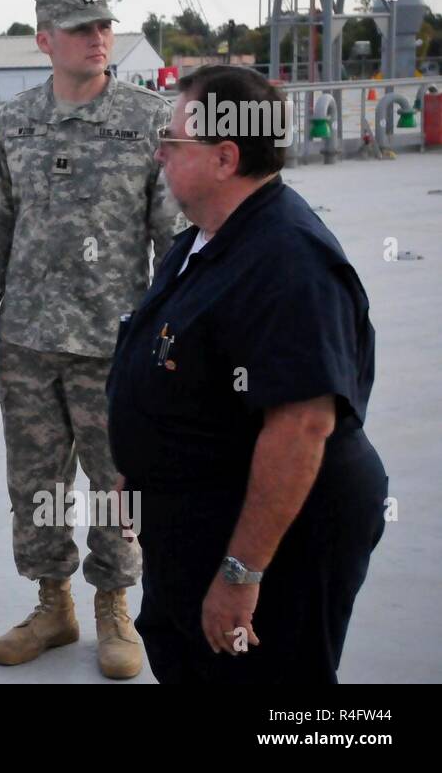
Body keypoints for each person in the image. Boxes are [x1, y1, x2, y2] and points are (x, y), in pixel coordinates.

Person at [106, 65, 388, 683]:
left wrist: (241, 575)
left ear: (224, 158)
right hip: (193, 522)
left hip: (272, 542)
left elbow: (300, 427)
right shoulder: (208, 239)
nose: (160, 153)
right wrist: (142, 467)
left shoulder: (288, 260)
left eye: (173, 142)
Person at [0, 0, 180, 679]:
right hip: (26, 341)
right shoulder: (17, 120)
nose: (98, 36)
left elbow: (173, 237)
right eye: (80, 26)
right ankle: (53, 604)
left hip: (115, 344)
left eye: (104, 24)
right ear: (45, 39)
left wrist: (174, 333)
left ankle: (115, 607)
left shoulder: (150, 119)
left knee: (117, 482)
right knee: (34, 484)